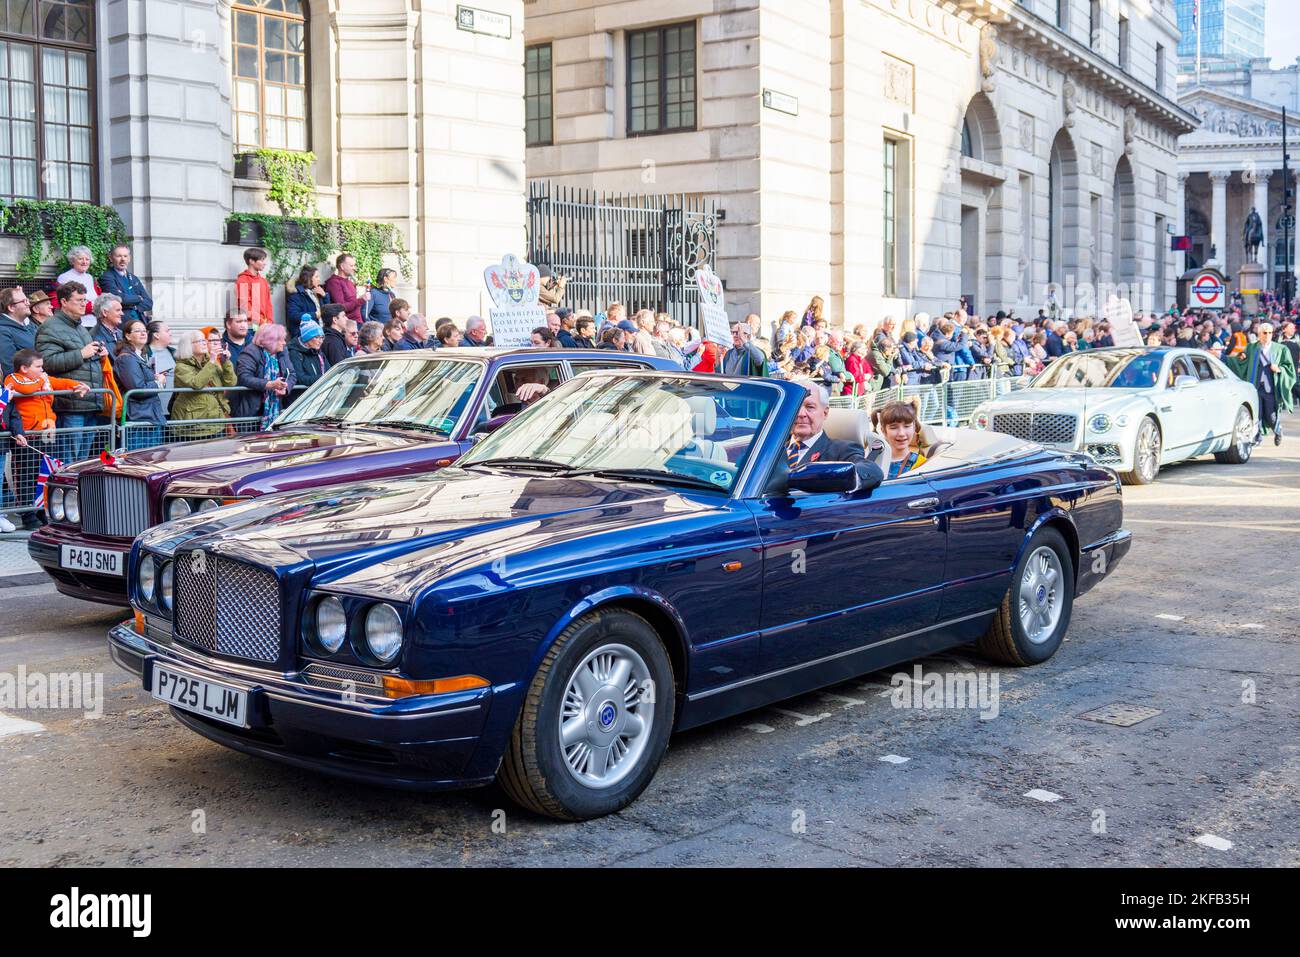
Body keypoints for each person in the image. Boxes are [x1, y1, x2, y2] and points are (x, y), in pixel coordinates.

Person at [3, 348, 89, 529]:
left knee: (46, 473)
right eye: (38, 367)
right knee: (27, 475)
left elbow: (60, 382)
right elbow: (25, 389)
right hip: (27, 435)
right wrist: (41, 382)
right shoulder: (14, 378)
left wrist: (77, 384)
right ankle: (27, 513)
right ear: (24, 368)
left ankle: (43, 509)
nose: (43, 370)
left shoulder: (42, 379)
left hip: (48, 433)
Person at [36, 282, 110, 465]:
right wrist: (81, 354)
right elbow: (47, 362)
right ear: (64, 302)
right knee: (68, 462)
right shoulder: (50, 327)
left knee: (82, 462)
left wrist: (99, 354)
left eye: (85, 299)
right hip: (69, 404)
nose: (84, 304)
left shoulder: (79, 327)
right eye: (79, 300)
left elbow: (85, 358)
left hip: (89, 400)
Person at [1223, 321, 1295, 445]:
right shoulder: (1252, 347)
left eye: (1270, 333)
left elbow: (1289, 368)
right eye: (1264, 333)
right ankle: (1257, 438)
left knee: (1271, 416)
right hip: (1255, 387)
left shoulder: (1280, 349)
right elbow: (1242, 360)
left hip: (1270, 388)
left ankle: (1278, 430)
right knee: (1257, 414)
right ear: (1259, 334)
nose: (1267, 335)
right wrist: (1230, 358)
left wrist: (1279, 369)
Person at [171, 330, 238, 438]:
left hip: (215, 423)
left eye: (204, 340)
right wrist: (211, 361)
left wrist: (226, 362)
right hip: (192, 427)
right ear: (188, 345)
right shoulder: (181, 367)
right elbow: (196, 384)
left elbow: (230, 383)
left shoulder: (211, 362)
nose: (204, 343)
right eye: (200, 340)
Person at [785, 381, 867, 469]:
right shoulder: (774, 449)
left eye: (810, 407)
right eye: (795, 406)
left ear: (825, 413)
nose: (801, 414)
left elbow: (868, 469)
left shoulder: (841, 451)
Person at [112, 318, 166, 450]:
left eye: (144, 331)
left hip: (146, 416)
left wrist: (155, 380)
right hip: (138, 418)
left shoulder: (138, 356)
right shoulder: (127, 358)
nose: (143, 333)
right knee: (140, 462)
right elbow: (137, 389)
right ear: (128, 336)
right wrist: (158, 383)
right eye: (138, 331)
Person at [233, 322, 295, 430]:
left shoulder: (282, 352)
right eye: (281, 339)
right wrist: (269, 384)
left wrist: (286, 388)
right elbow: (244, 377)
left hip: (276, 409)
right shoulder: (250, 352)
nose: (284, 343)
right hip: (252, 411)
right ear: (270, 341)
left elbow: (292, 374)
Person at [98, 244, 153, 324]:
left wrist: (135, 307)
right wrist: (138, 298)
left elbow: (149, 302)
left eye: (125, 256)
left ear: (129, 258)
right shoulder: (107, 277)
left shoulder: (134, 278)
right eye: (119, 256)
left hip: (140, 322)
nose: (123, 259)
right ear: (111, 258)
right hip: (122, 324)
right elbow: (119, 299)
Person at [874, 400, 927, 479]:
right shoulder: (873, 460)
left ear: (914, 428)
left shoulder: (922, 464)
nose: (901, 433)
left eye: (907, 426)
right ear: (883, 430)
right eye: (894, 427)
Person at [324, 253, 370, 324]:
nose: (354, 268)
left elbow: (353, 302)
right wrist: (360, 300)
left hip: (357, 322)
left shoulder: (350, 282)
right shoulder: (334, 283)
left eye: (354, 265)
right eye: (351, 265)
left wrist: (360, 299)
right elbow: (341, 307)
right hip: (347, 325)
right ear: (342, 266)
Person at [285, 265, 329, 339]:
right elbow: (293, 315)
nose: (319, 279)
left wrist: (324, 296)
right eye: (316, 277)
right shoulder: (296, 295)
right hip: (305, 336)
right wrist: (314, 315)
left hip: (320, 333)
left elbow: (328, 311)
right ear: (309, 278)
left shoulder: (317, 291)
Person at [56, 246, 99, 316]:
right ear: (73, 261)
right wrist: (92, 307)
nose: (84, 262)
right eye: (80, 259)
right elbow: (64, 304)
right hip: (74, 321)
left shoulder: (90, 278)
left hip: (94, 321)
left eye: (87, 259)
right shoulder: (64, 277)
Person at [0, 286, 34, 378]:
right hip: (27, 388)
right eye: (24, 301)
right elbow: (9, 367)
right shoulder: (3, 331)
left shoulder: (30, 326)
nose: (28, 303)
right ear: (11, 307)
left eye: (27, 300)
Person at [235, 247, 273, 325]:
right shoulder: (242, 280)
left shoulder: (263, 281)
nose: (264, 263)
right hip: (251, 326)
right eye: (262, 260)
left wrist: (269, 322)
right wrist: (261, 322)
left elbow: (268, 304)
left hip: (265, 326)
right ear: (251, 261)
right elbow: (244, 306)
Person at [289, 320, 328, 394]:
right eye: (317, 337)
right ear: (307, 338)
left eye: (322, 337)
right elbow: (300, 378)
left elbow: (329, 371)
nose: (320, 341)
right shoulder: (294, 353)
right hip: (301, 399)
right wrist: (323, 378)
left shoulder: (318, 352)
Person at [147, 320, 175, 414]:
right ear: (156, 335)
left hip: (173, 409)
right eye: (167, 331)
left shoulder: (173, 352)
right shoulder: (144, 353)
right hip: (154, 410)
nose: (171, 334)